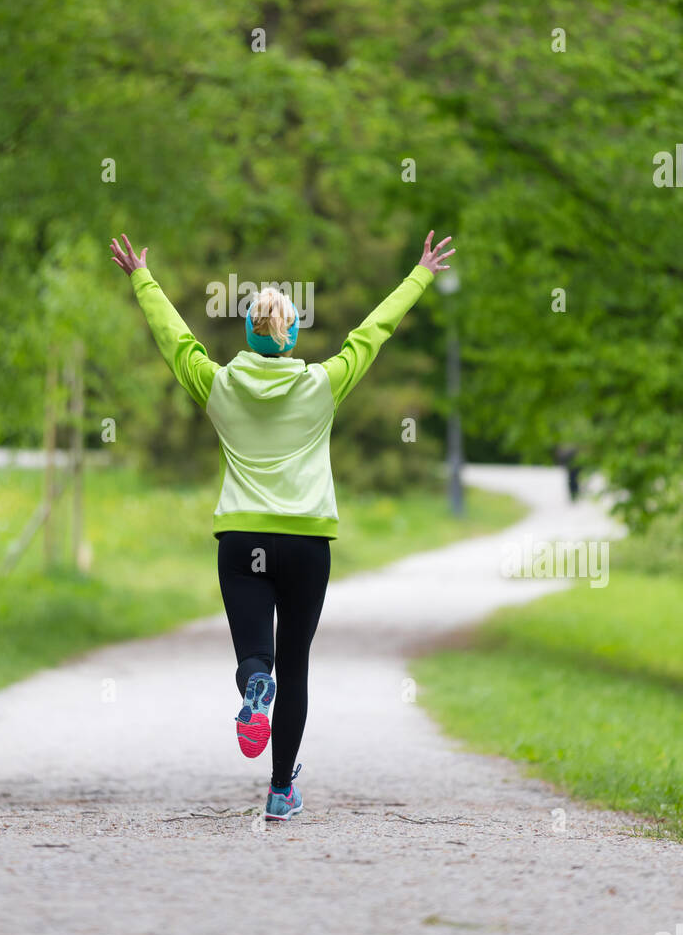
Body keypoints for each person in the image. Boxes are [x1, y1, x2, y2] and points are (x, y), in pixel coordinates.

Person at [110, 229, 456, 820]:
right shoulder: (321, 385)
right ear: (291, 334)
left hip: (242, 541)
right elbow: (372, 333)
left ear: (247, 334)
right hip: (305, 545)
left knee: (257, 655)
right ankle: (279, 792)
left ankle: (253, 687)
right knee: (295, 663)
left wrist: (142, 277)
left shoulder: (219, 385)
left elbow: (177, 340)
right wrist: (420, 274)